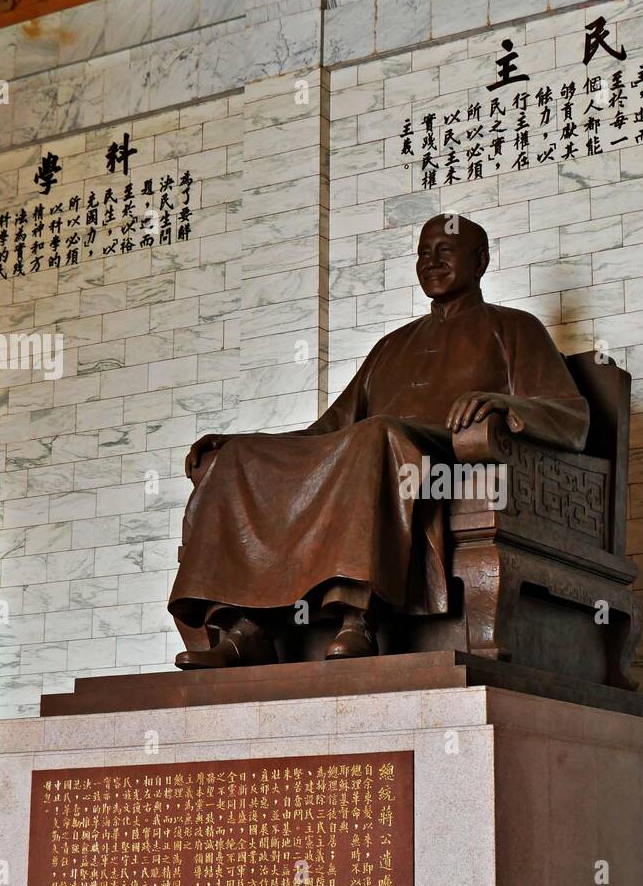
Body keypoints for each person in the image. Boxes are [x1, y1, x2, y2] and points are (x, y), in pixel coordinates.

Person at [168, 213, 589, 666]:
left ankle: (358, 620)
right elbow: (327, 431)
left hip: (447, 460)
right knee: (241, 457)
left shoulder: (513, 329)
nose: (431, 262)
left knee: (377, 434)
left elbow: (573, 416)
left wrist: (504, 404)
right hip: (372, 451)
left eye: (444, 252)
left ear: (480, 261)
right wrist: (241, 443)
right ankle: (246, 627)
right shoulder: (392, 345)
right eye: (423, 254)